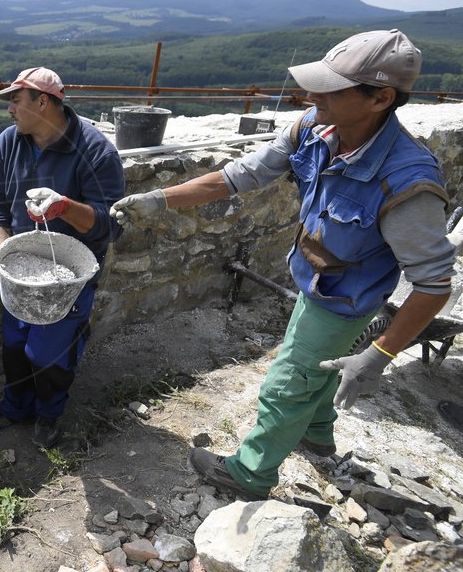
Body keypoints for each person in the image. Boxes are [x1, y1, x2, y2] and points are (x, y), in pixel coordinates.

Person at [110, 30, 456, 500]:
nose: (311, 95)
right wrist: (157, 199)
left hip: (344, 300)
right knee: (318, 367)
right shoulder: (314, 132)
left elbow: (434, 285)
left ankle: (250, 474)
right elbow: (234, 178)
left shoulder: (407, 183)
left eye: (330, 88)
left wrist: (381, 355)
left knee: (285, 383)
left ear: (381, 98)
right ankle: (316, 432)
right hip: (316, 280)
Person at [0, 67, 125, 448]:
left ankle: (49, 414)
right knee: (14, 345)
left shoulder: (95, 152)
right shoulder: (10, 143)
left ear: (43, 102)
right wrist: (7, 254)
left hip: (70, 277)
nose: (9, 109)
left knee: (49, 353)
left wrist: (64, 208)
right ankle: (15, 408)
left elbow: (111, 225)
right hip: (19, 274)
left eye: (15, 100)